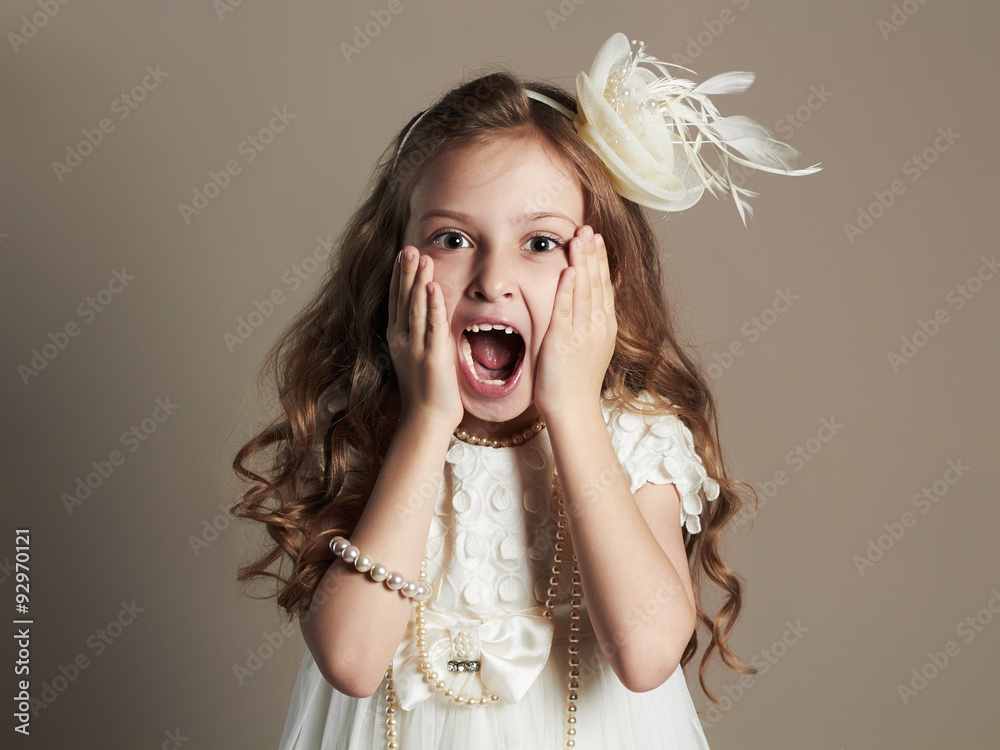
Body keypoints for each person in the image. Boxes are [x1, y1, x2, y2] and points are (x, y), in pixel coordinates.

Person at [232, 32, 818, 750]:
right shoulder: (371, 427)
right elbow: (352, 662)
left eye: (540, 243)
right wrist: (426, 421)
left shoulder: (638, 438)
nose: (492, 279)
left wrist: (572, 411)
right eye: (453, 240)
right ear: (394, 265)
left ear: (605, 283)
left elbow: (646, 653)